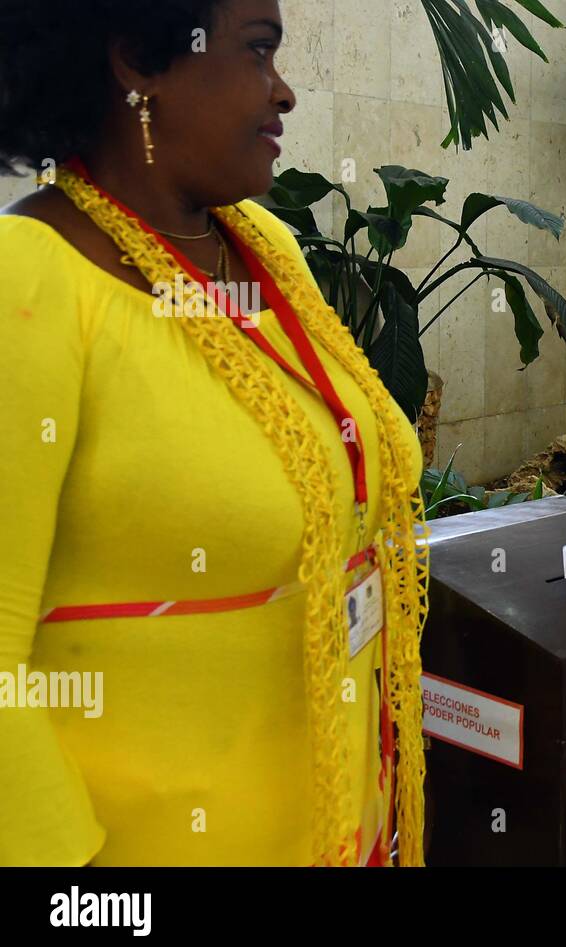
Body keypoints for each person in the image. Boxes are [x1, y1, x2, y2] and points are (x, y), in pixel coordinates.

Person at [0, 0, 427, 865]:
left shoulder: (262, 244)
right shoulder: (29, 277)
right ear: (134, 60)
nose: (285, 92)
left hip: (349, 827)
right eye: (259, 52)